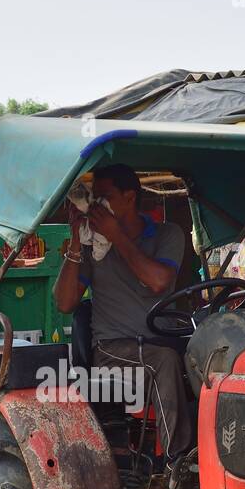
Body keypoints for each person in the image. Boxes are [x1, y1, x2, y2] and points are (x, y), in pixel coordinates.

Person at [53, 163, 194, 458]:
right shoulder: (95, 246)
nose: (96, 206)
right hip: (112, 349)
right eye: (95, 199)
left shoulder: (168, 234)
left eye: (104, 197)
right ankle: (176, 464)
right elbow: (65, 304)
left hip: (161, 340)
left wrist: (117, 236)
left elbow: (157, 280)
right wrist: (78, 242)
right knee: (164, 362)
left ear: (129, 197)